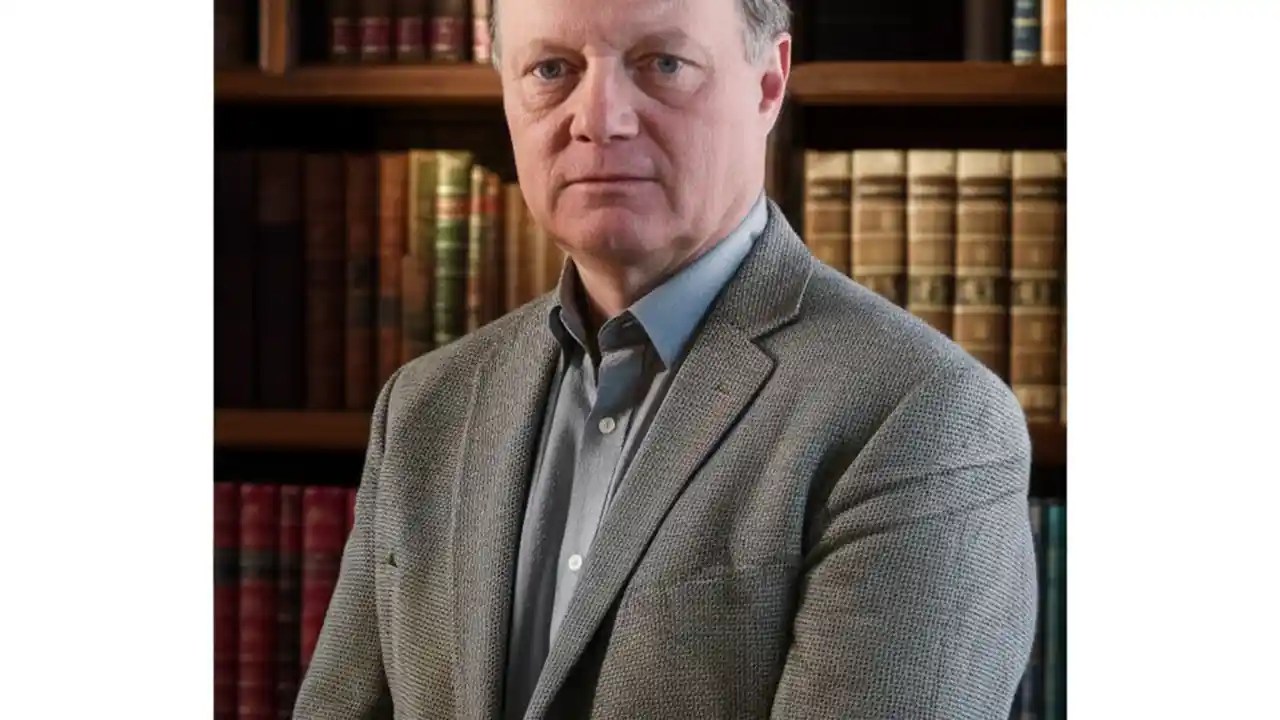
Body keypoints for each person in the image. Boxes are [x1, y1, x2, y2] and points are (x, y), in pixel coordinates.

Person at [294, 0, 1037, 717]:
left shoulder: (925, 417)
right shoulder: (425, 406)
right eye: (552, 69)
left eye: (664, 64)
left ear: (769, 83)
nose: (599, 120)